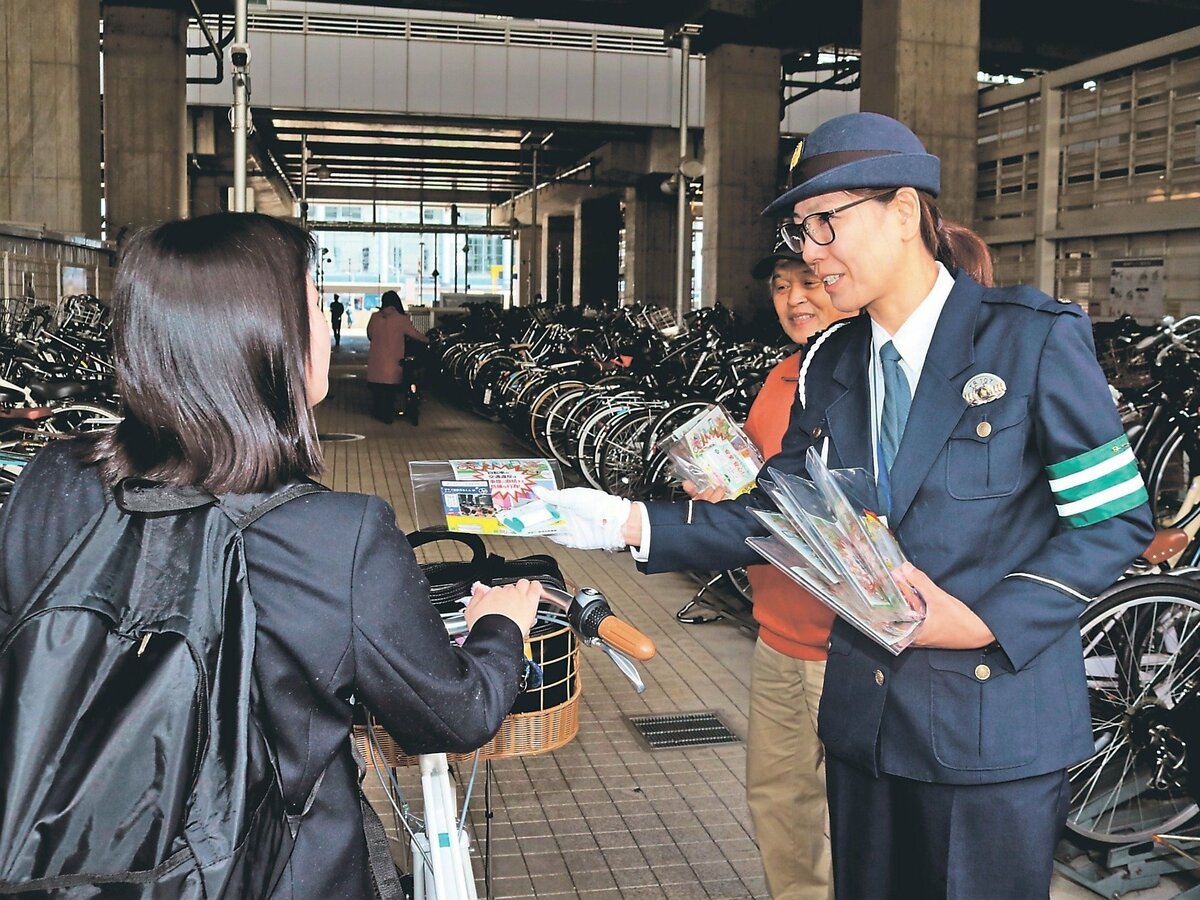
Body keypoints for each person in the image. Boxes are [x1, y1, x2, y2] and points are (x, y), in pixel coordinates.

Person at [540, 112, 1153, 899]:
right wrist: (622, 521)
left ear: (904, 211)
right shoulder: (833, 362)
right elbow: (781, 513)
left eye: (826, 222)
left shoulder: (1029, 340)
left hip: (991, 727)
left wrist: (986, 620)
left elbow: (1113, 519)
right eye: (801, 230)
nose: (810, 251)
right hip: (866, 724)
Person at [0, 212, 541, 899]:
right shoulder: (338, 535)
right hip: (280, 874)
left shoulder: (52, 481)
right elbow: (453, 714)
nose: (327, 325)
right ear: (265, 337)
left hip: (60, 864)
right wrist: (501, 626)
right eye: (316, 303)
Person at [686, 243, 852, 899]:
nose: (794, 299)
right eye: (781, 285)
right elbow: (757, 491)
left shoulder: (876, 378)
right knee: (780, 803)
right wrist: (717, 487)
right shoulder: (783, 376)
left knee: (858, 817)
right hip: (778, 631)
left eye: (808, 280)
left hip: (851, 645)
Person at [366, 289, 428, 424]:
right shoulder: (401, 319)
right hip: (393, 363)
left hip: (376, 362)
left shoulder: (375, 317)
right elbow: (415, 335)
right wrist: (428, 340)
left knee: (378, 391)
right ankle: (387, 416)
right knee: (390, 392)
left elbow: (370, 334)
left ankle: (378, 412)